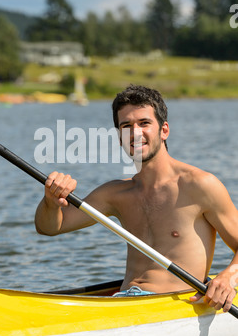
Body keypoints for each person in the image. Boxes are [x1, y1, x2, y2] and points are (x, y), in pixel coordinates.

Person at [35, 85, 238, 311]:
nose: (135, 132)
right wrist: (51, 202)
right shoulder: (115, 194)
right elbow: (50, 228)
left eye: (144, 123)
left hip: (175, 306)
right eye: (126, 126)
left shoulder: (199, 185)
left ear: (164, 130)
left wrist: (229, 277)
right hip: (125, 301)